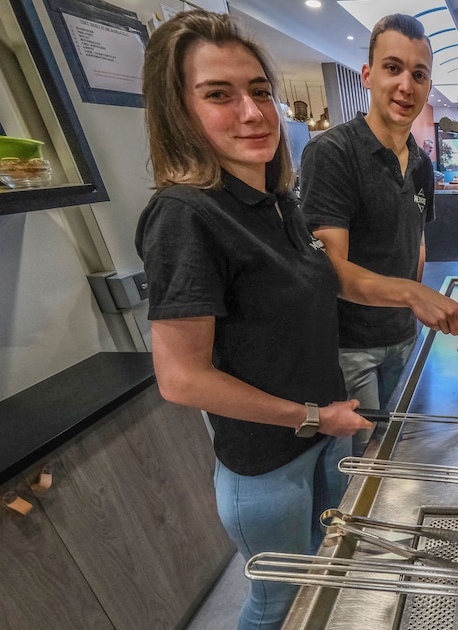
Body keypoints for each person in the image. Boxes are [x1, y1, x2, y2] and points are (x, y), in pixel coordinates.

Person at [134, 11, 372, 629]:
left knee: (321, 576)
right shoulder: (185, 216)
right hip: (267, 464)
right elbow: (181, 379)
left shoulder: (275, 201)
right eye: (219, 95)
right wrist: (313, 416)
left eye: (259, 91)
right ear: (179, 111)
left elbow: (315, 291)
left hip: (324, 436)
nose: (251, 111)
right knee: (277, 603)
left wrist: (410, 297)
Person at [301, 14, 458, 455]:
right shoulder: (333, 153)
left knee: (401, 446)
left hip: (402, 337)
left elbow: (415, 241)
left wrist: (413, 305)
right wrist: (414, 294)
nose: (405, 86)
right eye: (393, 68)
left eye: (418, 74)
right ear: (368, 75)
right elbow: (329, 270)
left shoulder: (420, 163)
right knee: (367, 460)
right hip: (351, 347)